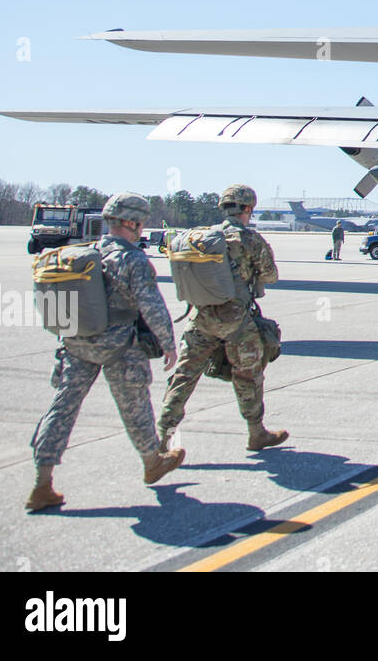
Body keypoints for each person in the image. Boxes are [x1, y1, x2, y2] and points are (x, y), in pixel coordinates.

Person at [27, 192, 185, 512]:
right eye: (141, 222)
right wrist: (168, 343)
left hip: (77, 343)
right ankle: (152, 461)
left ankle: (42, 482)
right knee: (135, 406)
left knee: (62, 408)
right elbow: (150, 305)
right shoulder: (133, 259)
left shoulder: (87, 252)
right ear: (133, 222)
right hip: (119, 346)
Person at [157, 184, 288, 453]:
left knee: (184, 377)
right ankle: (256, 433)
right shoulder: (249, 239)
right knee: (248, 376)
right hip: (236, 320)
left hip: (200, 317)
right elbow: (270, 276)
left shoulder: (202, 237)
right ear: (248, 208)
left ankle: (161, 438)